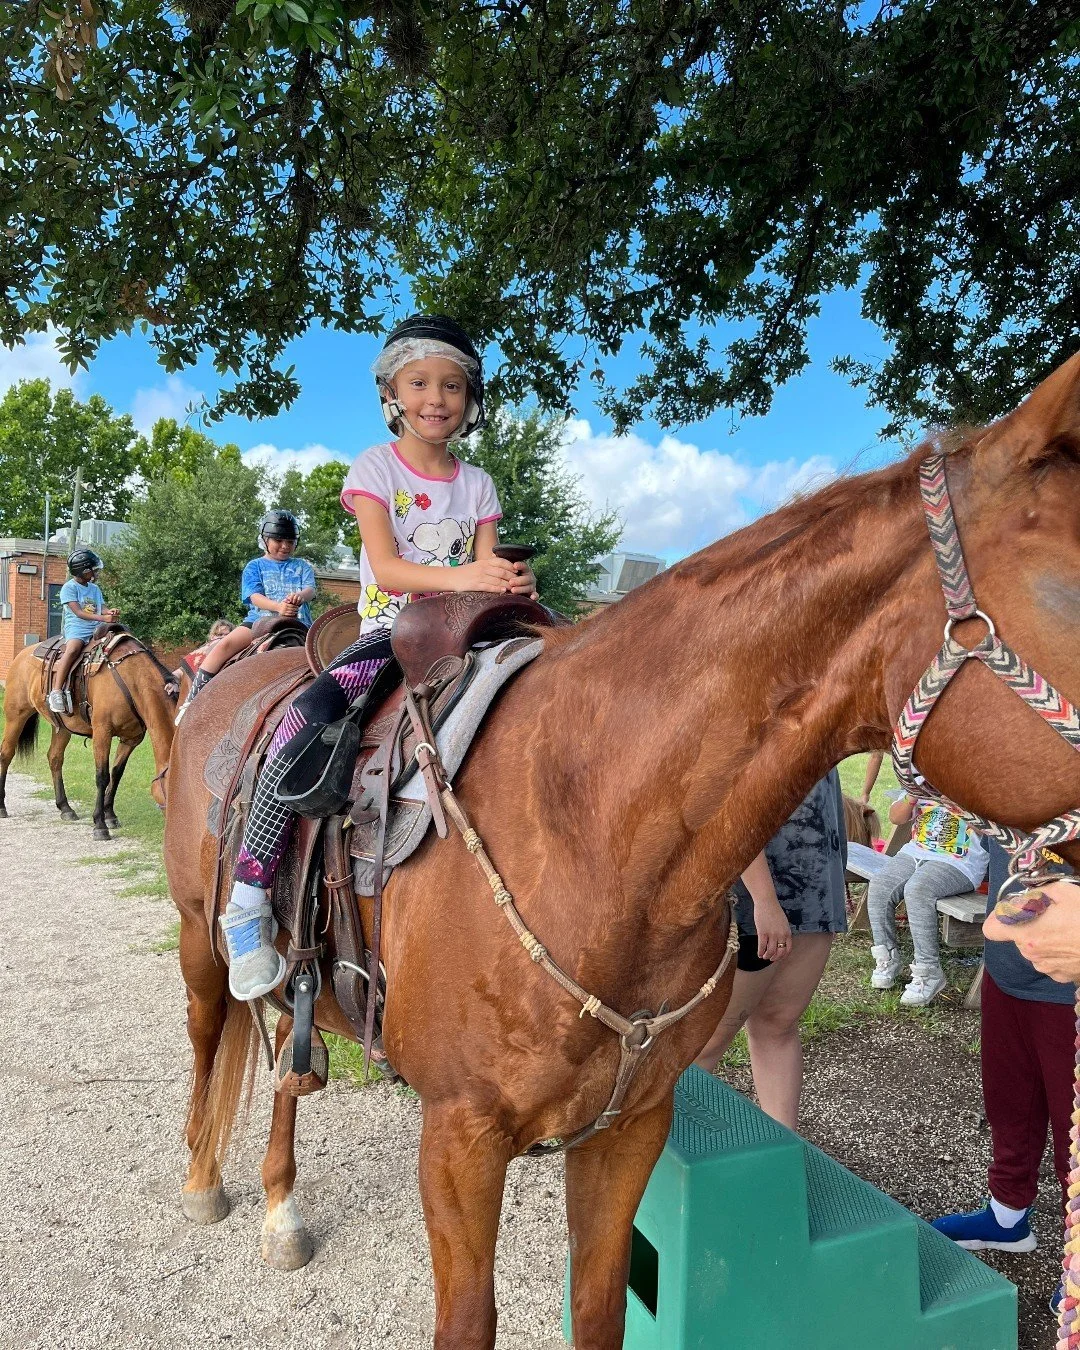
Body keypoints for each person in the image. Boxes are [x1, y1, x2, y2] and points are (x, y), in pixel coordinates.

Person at [218, 315, 538, 1001]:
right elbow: (388, 568)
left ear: (469, 398)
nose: (437, 397)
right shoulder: (375, 468)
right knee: (305, 719)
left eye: (453, 385)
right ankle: (246, 899)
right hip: (391, 634)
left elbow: (486, 566)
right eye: (420, 382)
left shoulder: (478, 483)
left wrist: (510, 582)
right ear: (392, 393)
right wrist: (470, 577)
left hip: (467, 632)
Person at [933, 840, 1074, 1315]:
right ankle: (1007, 1215)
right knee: (1009, 1104)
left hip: (1070, 980)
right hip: (1009, 970)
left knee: (1074, 1137)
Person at [694, 771, 848, 1131]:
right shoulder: (752, 714)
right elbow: (733, 807)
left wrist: (834, 881)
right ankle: (674, 1157)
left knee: (778, 1025)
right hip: (756, 903)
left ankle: (782, 1147)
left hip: (816, 896)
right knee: (708, 1040)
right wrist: (764, 900)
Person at [174, 511, 316, 721]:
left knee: (328, 654)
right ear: (265, 540)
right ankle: (193, 700)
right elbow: (253, 596)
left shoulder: (302, 566)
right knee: (222, 647)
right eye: (278, 540)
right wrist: (278, 606)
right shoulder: (255, 566)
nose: (285, 546)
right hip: (260, 623)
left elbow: (310, 590)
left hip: (300, 624)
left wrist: (299, 597)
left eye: (290, 541)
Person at [866, 790, 988, 1006]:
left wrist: (962, 805)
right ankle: (888, 956)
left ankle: (929, 970)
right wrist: (912, 796)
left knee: (918, 889)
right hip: (916, 852)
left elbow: (993, 831)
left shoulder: (977, 780)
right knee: (880, 884)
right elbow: (896, 817)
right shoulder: (924, 777)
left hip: (960, 862)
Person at [47, 549, 119, 714]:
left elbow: (101, 607)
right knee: (73, 649)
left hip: (96, 628)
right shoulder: (69, 588)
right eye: (94, 569)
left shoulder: (94, 588)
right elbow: (79, 613)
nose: (96, 572)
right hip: (77, 629)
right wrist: (103, 619)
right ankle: (56, 691)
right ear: (85, 571)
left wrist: (109, 612)